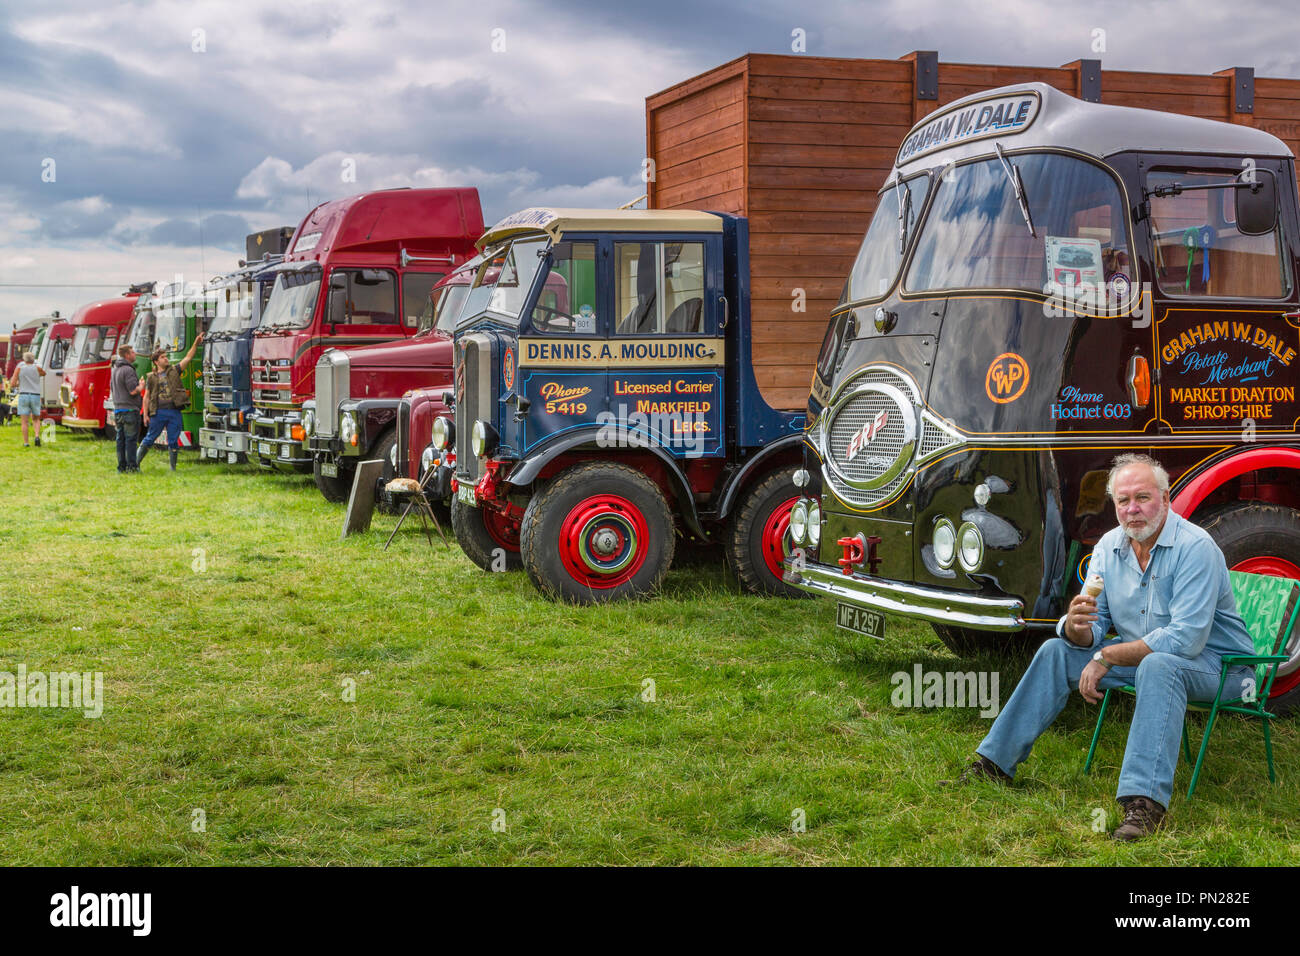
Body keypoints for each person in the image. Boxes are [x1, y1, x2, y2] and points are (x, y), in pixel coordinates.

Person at [943, 453, 1255, 841]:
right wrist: (1076, 629)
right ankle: (993, 763)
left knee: (1159, 666)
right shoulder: (1109, 547)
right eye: (1123, 501)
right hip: (1148, 661)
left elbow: (1185, 640)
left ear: (1166, 497)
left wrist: (1106, 655)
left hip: (1224, 669)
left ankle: (1144, 806)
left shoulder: (1196, 548)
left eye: (1143, 497)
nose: (1132, 509)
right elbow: (1096, 626)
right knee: (1056, 652)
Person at [137, 333, 202, 471]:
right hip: (158, 412)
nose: (166, 359)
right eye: (162, 357)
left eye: (166, 357)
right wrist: (145, 415)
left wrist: (196, 343)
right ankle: (134, 464)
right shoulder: (151, 377)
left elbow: (188, 358)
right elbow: (146, 397)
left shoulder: (174, 370)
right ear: (156, 361)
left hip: (174, 411)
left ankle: (173, 468)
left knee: (173, 440)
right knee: (150, 438)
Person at [110, 344, 145, 473]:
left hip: (118, 410)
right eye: (132, 352)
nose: (135, 354)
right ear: (127, 355)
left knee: (121, 440)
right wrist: (141, 385)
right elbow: (132, 390)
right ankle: (132, 467)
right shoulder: (128, 370)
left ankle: (121, 467)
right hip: (130, 410)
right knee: (131, 440)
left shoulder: (115, 370)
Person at [6, 351, 46, 447]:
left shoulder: (19, 369)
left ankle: (26, 443)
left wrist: (19, 383)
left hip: (24, 395)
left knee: (24, 421)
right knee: (36, 419)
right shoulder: (37, 368)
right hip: (35, 395)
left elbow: (12, 384)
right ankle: (36, 436)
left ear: (24, 359)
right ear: (33, 359)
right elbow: (44, 373)